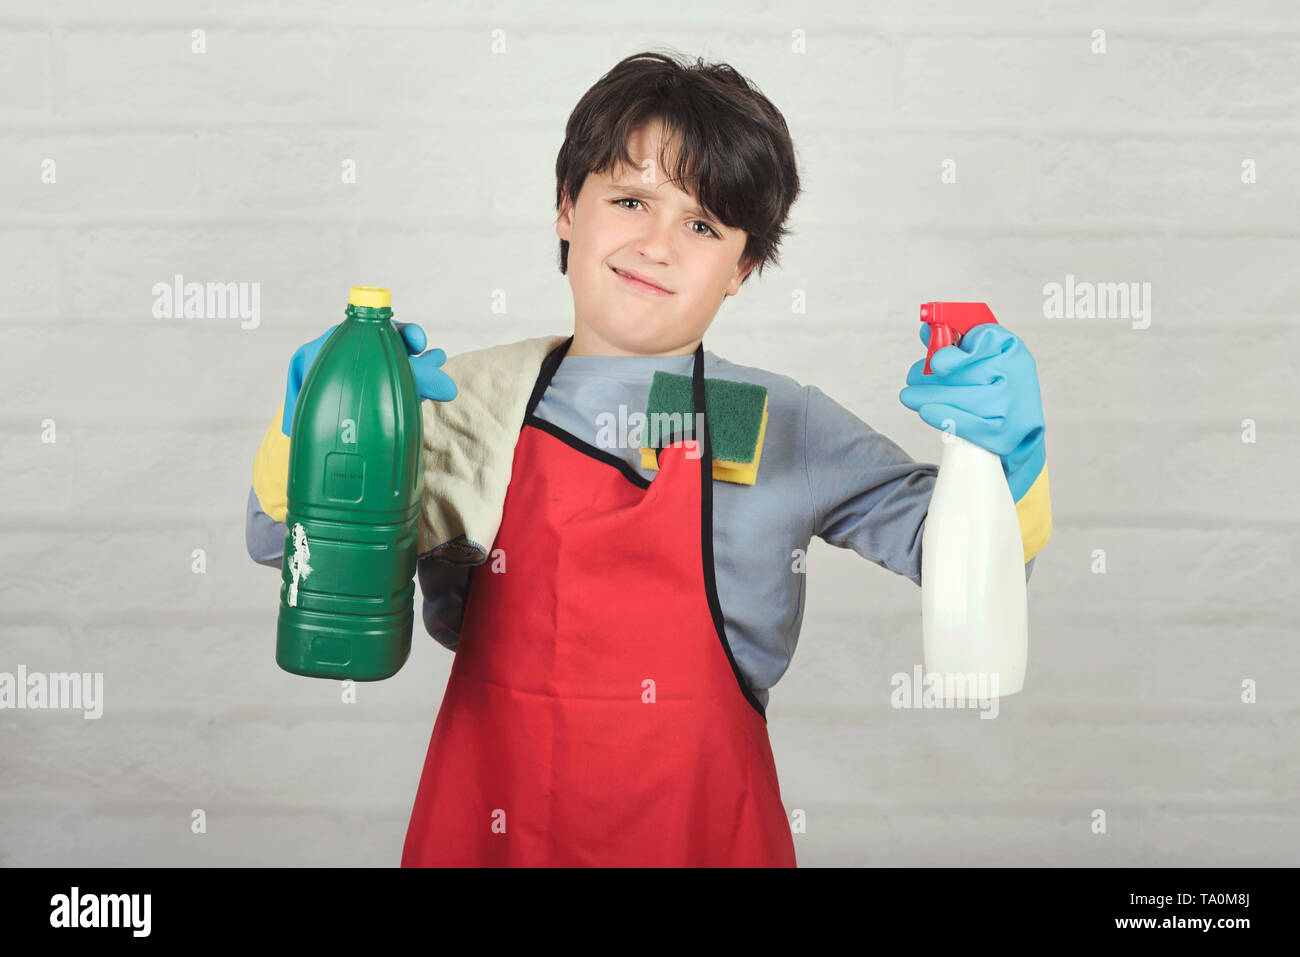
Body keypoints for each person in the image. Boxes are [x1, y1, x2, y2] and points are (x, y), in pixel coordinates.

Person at [246, 51, 1052, 867]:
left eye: (702, 224)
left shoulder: (771, 421)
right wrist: (323, 425)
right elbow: (287, 547)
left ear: (740, 267)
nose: (657, 244)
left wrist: (1002, 455)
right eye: (630, 200)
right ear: (567, 208)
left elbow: (972, 565)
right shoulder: (472, 399)